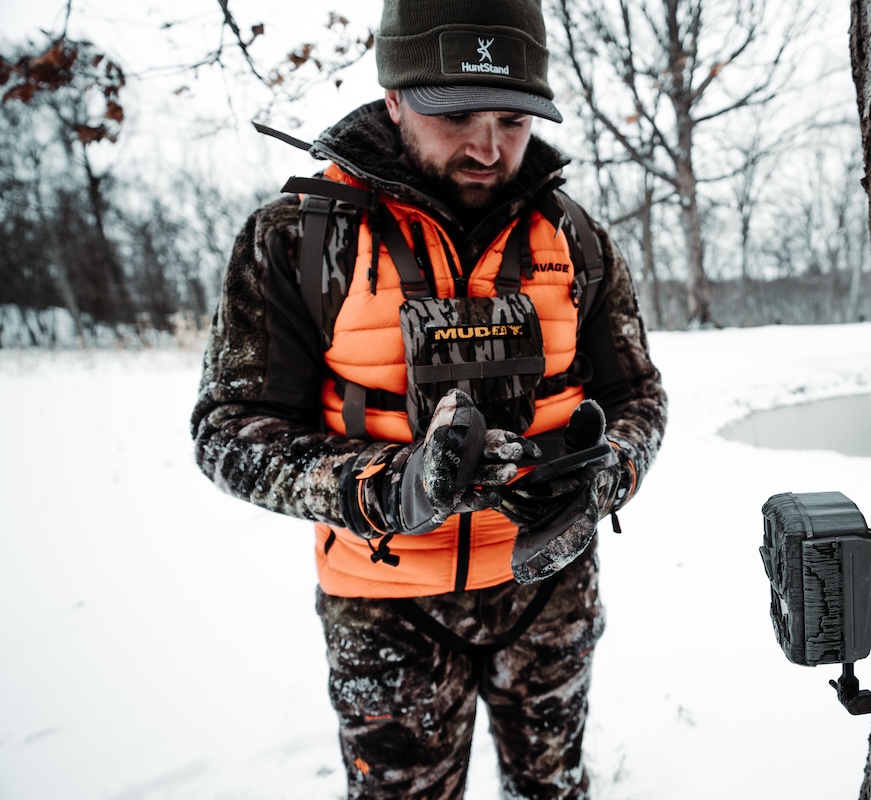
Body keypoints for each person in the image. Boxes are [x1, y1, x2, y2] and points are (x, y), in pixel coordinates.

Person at [190, 0, 666, 797]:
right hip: (384, 608)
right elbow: (229, 431)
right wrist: (388, 487)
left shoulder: (576, 238)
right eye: (458, 114)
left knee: (553, 790)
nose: (488, 146)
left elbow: (639, 397)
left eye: (514, 119)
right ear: (395, 98)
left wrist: (602, 476)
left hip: (548, 590)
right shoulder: (301, 237)